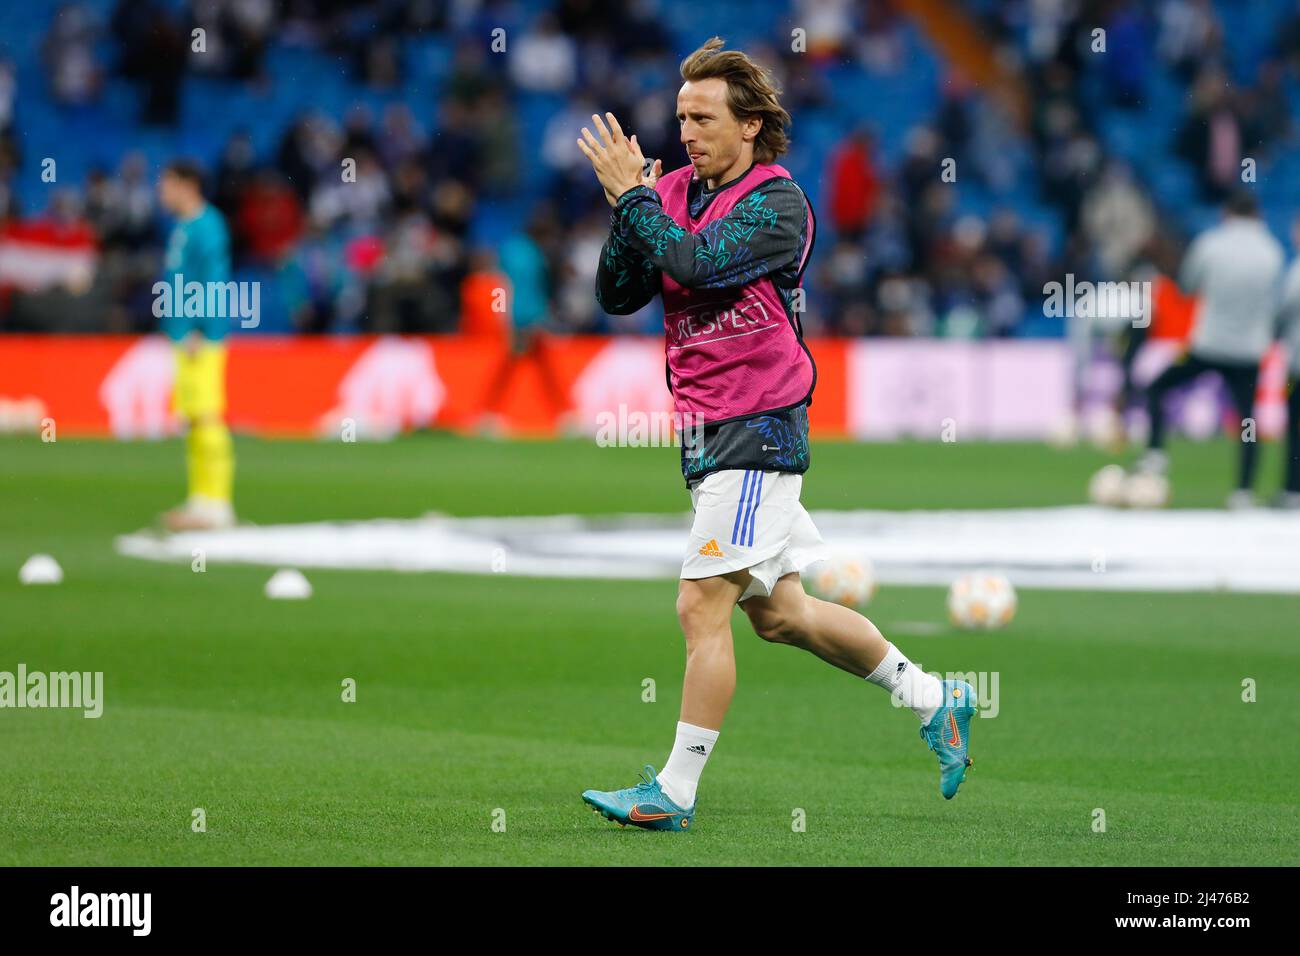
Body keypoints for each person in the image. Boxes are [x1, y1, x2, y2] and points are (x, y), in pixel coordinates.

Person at [575, 37, 978, 832]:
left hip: (757, 428)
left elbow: (694, 264)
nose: (686, 132)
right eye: (681, 116)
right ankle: (936, 697)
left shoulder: (779, 203)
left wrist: (635, 204)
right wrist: (632, 210)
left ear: (752, 123)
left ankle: (674, 791)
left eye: (704, 117)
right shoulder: (674, 191)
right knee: (782, 614)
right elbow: (618, 293)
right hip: (706, 433)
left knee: (700, 607)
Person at [1136, 190, 1284, 508]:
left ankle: (1155, 456)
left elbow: (1188, 287)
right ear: (1257, 215)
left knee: (1157, 388)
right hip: (1249, 351)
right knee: (1247, 421)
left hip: (1209, 344)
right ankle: (1243, 491)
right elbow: (1275, 302)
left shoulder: (1211, 244)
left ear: (1227, 214)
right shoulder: (1271, 251)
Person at [156, 160, 236, 530]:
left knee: (206, 415)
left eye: (167, 184)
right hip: (183, 337)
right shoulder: (182, 227)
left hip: (200, 339)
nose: (162, 192)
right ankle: (200, 500)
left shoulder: (209, 226)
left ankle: (218, 504)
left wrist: (202, 329)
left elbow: (215, 280)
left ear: (187, 185)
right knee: (192, 418)